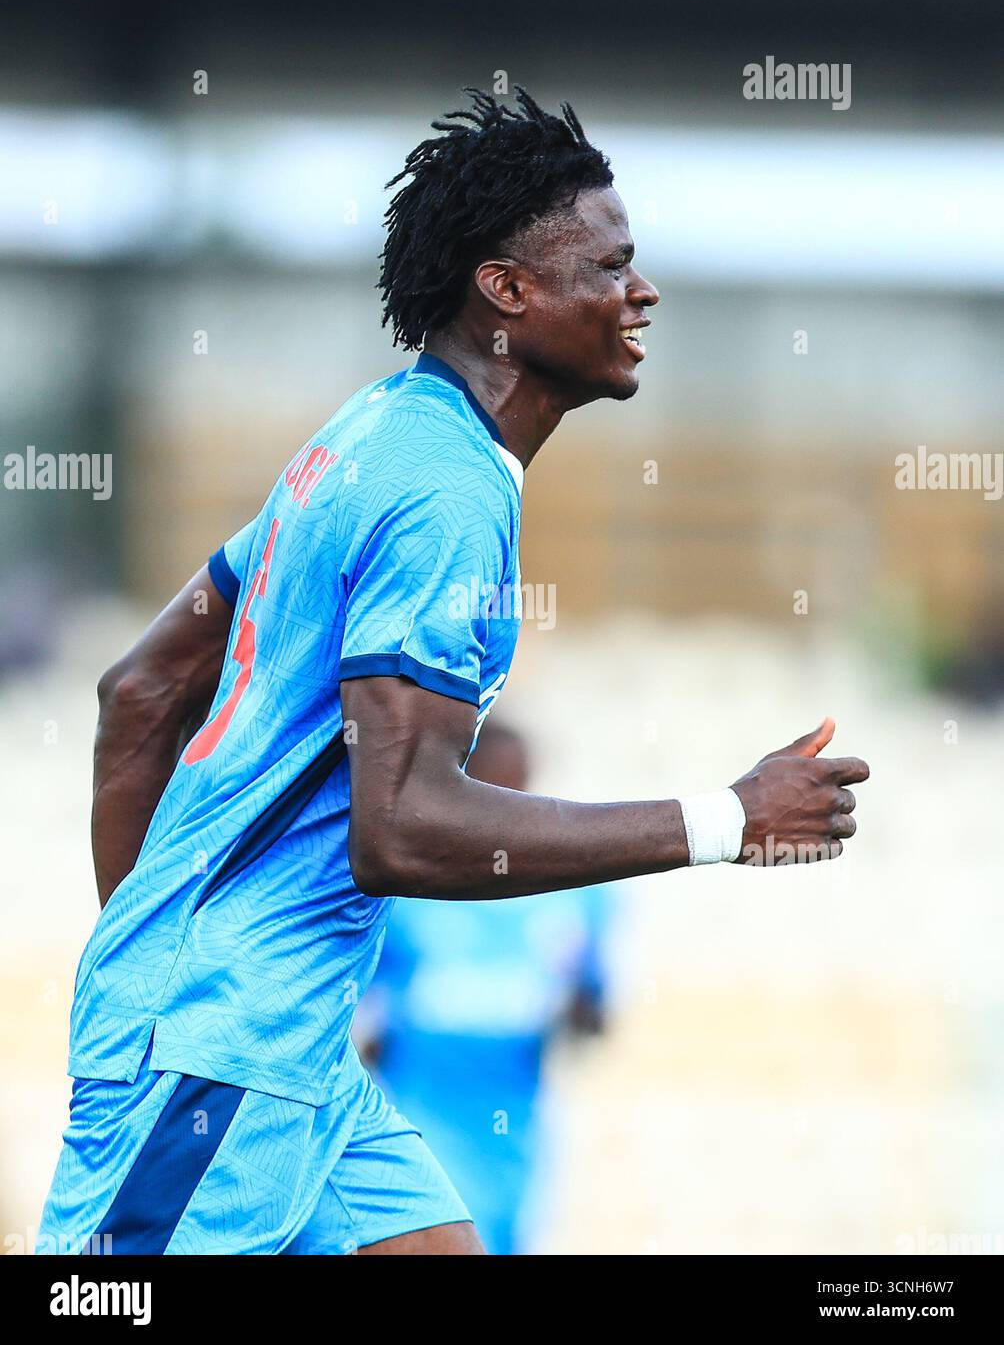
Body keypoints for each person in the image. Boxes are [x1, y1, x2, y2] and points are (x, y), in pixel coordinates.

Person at [39, 87, 868, 1257]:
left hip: (288, 1043)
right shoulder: (444, 493)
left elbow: (140, 689)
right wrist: (724, 819)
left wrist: (150, 955)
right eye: (609, 265)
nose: (641, 292)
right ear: (507, 288)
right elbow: (404, 828)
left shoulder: (359, 440)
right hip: (224, 1044)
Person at [358, 719, 610, 1255]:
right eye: (490, 790)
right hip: (418, 1107)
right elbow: (362, 1005)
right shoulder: (409, 879)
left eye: (517, 789)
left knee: (502, 1238)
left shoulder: (570, 888)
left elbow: (595, 1015)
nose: (505, 808)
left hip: (515, 1116)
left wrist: (569, 1000)